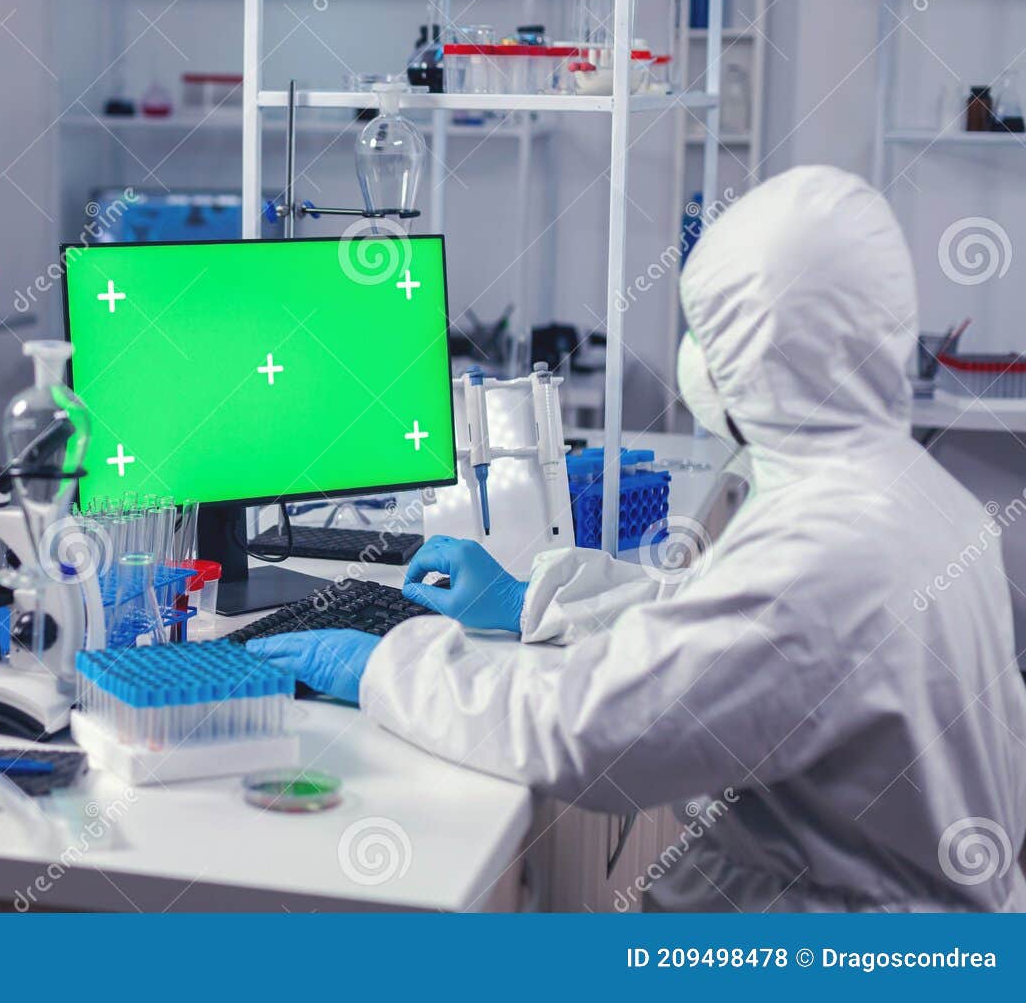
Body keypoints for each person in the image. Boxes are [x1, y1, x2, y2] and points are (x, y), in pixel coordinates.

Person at [250, 166, 1026, 911]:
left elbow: (585, 731)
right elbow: (715, 619)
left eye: (709, 332)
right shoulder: (913, 493)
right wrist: (537, 599)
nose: (694, 354)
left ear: (765, 354)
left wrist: (389, 664)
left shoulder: (825, 553)